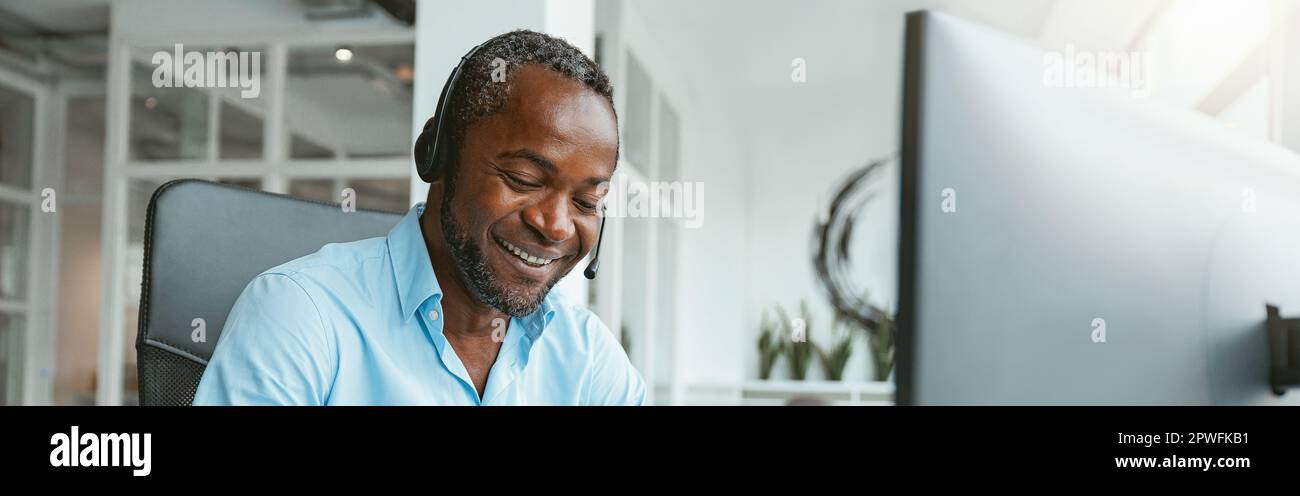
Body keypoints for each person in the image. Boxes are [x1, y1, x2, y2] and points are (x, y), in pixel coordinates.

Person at [194, 29, 644, 405]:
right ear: (438, 156)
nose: (556, 226)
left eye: (587, 203)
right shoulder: (300, 313)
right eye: (524, 178)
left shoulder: (587, 357)